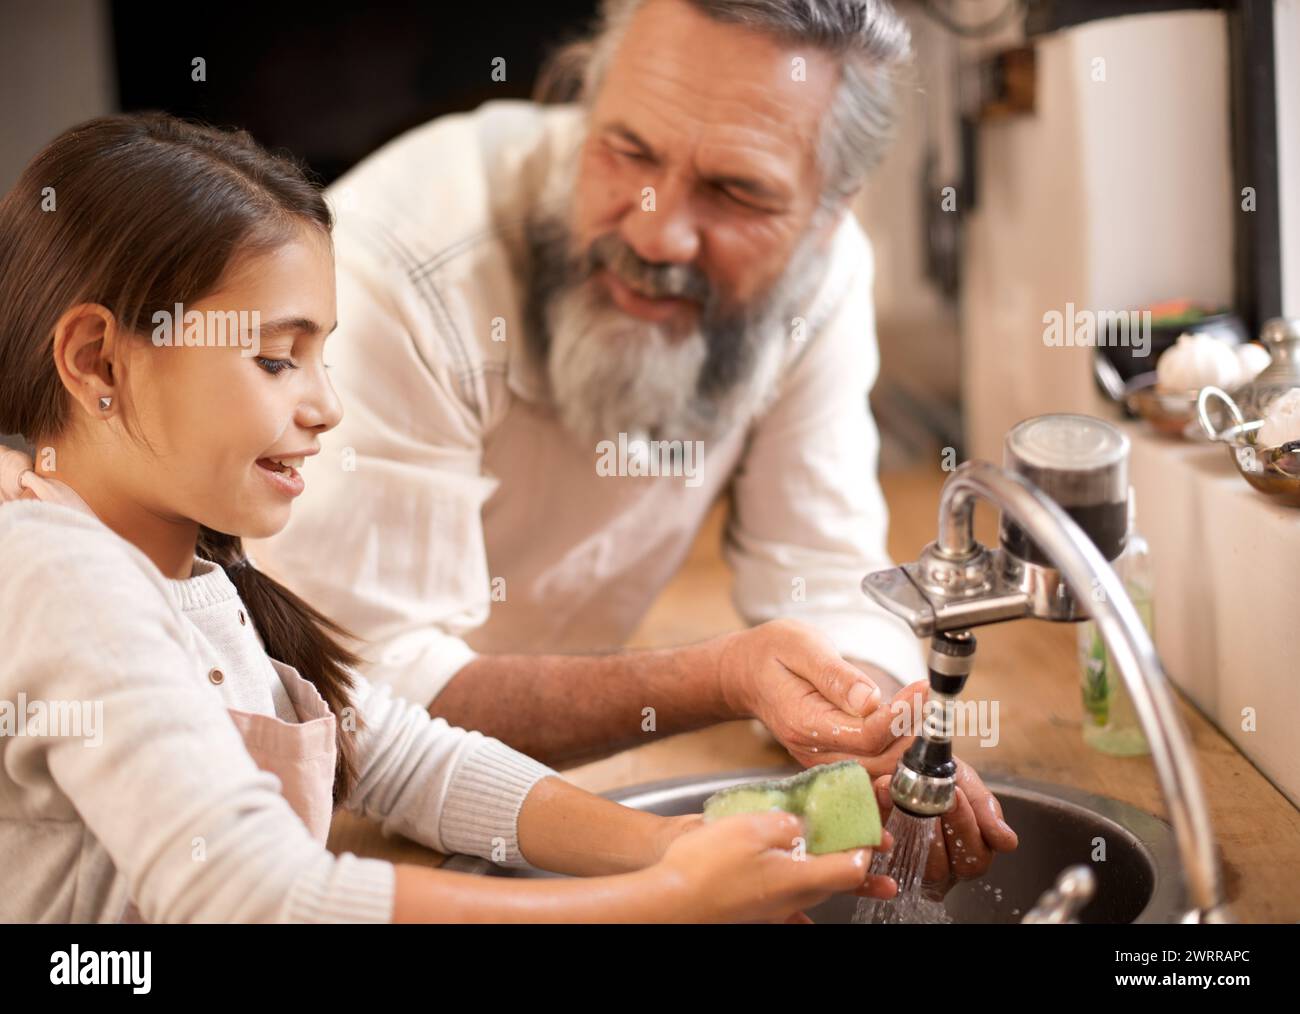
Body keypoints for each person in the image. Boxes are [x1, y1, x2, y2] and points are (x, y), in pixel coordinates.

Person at [0, 113, 901, 923]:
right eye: (277, 359)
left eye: (323, 358)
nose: (326, 407)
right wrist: (658, 902)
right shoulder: (65, 582)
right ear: (97, 362)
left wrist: (668, 846)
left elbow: (403, 758)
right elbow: (256, 895)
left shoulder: (196, 579)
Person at [249, 0, 1018, 875]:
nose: (657, 232)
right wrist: (719, 677)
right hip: (318, 829)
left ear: (829, 213)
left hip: (540, 791)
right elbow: (360, 703)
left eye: (737, 191)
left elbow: (821, 573)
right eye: (629, 152)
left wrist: (871, 726)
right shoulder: (394, 272)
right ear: (583, 98)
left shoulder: (821, 278)